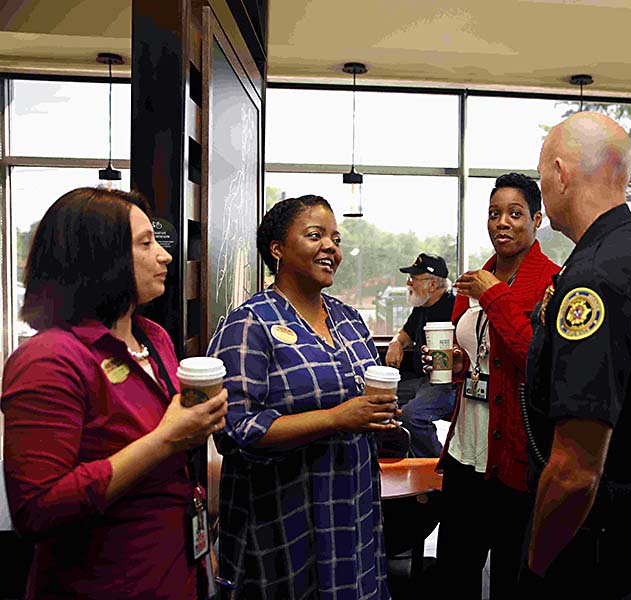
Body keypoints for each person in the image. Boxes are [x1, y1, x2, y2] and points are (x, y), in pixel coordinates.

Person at [2, 187, 227, 599]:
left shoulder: (153, 337)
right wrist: (166, 440)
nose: (166, 256)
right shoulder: (48, 359)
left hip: (175, 573)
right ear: (100, 257)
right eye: (146, 243)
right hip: (107, 583)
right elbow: (37, 508)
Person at [522, 112, 631, 599]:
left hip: (587, 534)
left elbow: (576, 470)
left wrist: (533, 566)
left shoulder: (596, 275)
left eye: (541, 178)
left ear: (560, 173)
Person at [207, 195, 399, 599]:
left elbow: (362, 401)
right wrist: (336, 418)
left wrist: (380, 416)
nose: (331, 247)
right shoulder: (249, 323)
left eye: (336, 238)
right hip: (282, 517)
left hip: (351, 510)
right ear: (277, 249)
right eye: (315, 235)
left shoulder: (348, 319)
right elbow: (235, 430)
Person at [432, 172, 559, 599]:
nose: (501, 222)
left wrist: (494, 296)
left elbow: (538, 365)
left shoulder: (553, 282)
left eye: (515, 213)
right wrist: (450, 364)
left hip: (515, 457)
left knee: (512, 577)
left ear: (537, 219)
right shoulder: (474, 280)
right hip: (465, 448)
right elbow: (470, 355)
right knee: (454, 570)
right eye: (493, 213)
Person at [384, 253, 456, 457]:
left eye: (413, 278)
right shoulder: (423, 307)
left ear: (432, 285)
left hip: (446, 384)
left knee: (412, 416)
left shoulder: (455, 307)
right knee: (380, 399)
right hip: (422, 380)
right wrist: (395, 342)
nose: (408, 283)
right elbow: (405, 334)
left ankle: (436, 467)